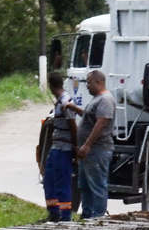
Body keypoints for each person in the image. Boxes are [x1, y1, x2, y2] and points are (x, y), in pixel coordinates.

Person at [75, 68, 116, 219]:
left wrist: (87, 145)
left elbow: (101, 123)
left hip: (98, 150)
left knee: (97, 185)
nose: (87, 86)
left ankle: (98, 217)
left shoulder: (105, 99)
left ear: (98, 82)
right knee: (85, 185)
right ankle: (87, 215)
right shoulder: (96, 99)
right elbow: (90, 117)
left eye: (89, 82)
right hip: (89, 152)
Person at [38, 71, 78, 221]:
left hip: (64, 149)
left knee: (62, 183)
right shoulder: (60, 101)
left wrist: (75, 147)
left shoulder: (66, 102)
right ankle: (53, 213)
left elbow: (73, 126)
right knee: (49, 180)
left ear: (51, 86)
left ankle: (65, 217)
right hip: (56, 147)